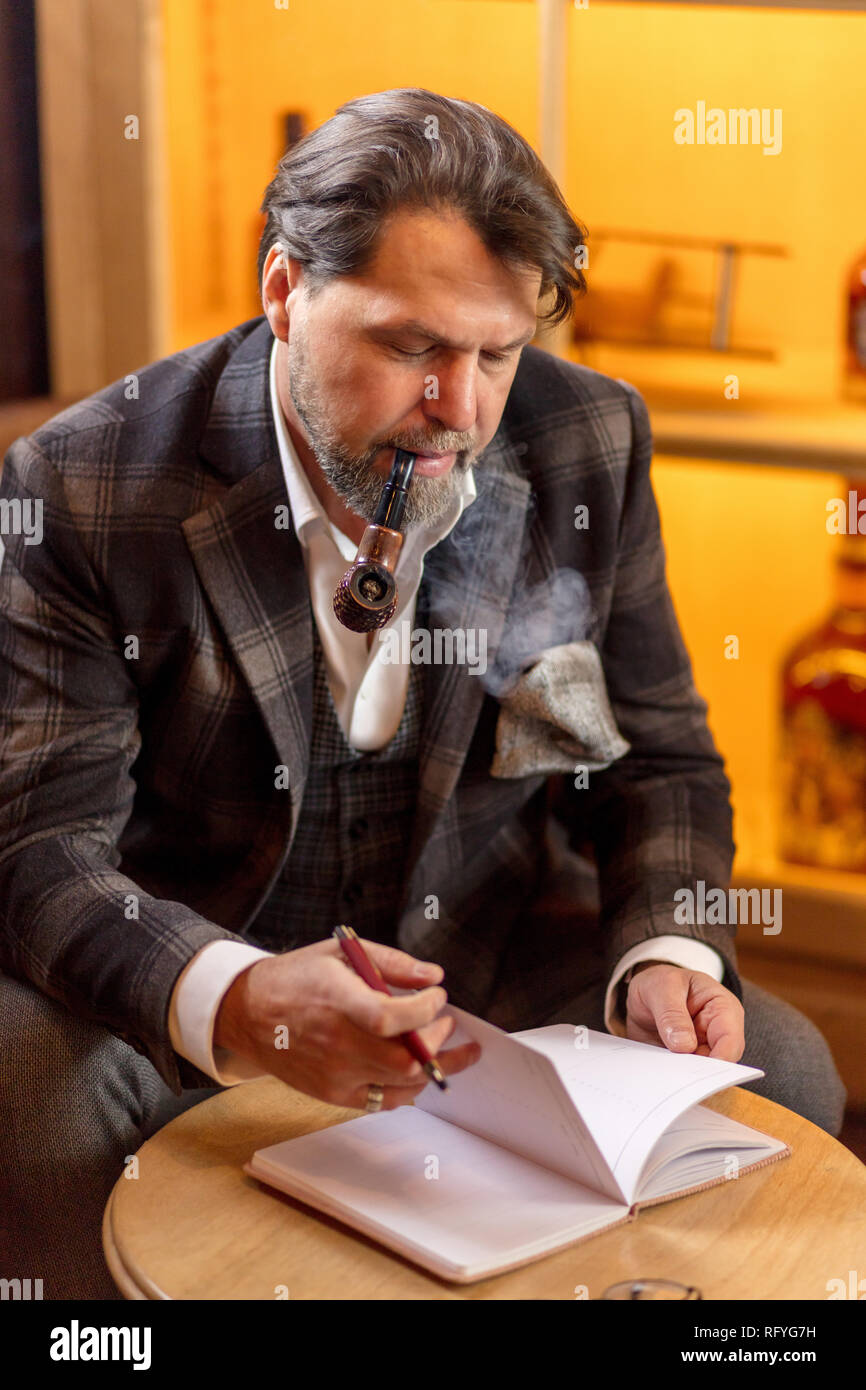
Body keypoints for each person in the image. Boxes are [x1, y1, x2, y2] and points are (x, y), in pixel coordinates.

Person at [0, 88, 845, 1300]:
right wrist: (239, 999)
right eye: (410, 348)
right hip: (199, 993)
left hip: (490, 973)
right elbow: (37, 851)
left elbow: (659, 758)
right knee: (20, 1088)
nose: (459, 411)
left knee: (790, 1069)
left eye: (496, 353)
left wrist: (665, 953)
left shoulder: (583, 439)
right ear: (284, 288)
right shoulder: (80, 485)